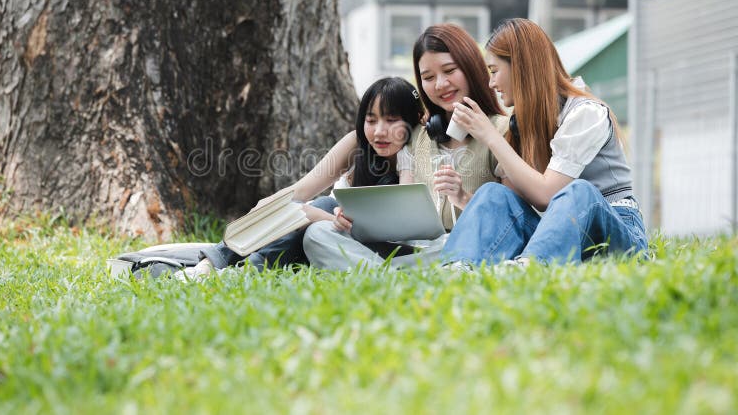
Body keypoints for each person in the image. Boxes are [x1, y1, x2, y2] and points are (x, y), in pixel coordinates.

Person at [440, 18, 647, 267]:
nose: (491, 83)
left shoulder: (586, 113)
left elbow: (547, 195)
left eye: (494, 71)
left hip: (618, 234)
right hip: (565, 238)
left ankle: (528, 268)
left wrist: (490, 136)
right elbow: (509, 207)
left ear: (521, 67)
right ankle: (455, 269)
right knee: (492, 193)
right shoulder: (523, 124)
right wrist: (463, 198)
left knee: (580, 191)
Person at [303, 24, 508, 270]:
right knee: (317, 234)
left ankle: (387, 274)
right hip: (414, 247)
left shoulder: (501, 130)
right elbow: (401, 216)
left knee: (456, 250)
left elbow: (508, 218)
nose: (440, 84)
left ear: (471, 67)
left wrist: (463, 197)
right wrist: (348, 220)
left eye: (449, 70)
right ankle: (393, 275)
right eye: (428, 78)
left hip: (462, 243)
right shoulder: (416, 135)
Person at [177, 77, 424, 280]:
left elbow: (400, 227)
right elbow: (301, 190)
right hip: (328, 234)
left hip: (381, 248)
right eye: (371, 120)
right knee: (292, 207)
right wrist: (270, 208)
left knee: (319, 206)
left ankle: (242, 273)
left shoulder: (425, 153)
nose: (379, 131)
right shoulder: (358, 143)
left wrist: (406, 166)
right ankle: (211, 265)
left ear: (413, 122)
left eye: (391, 120)